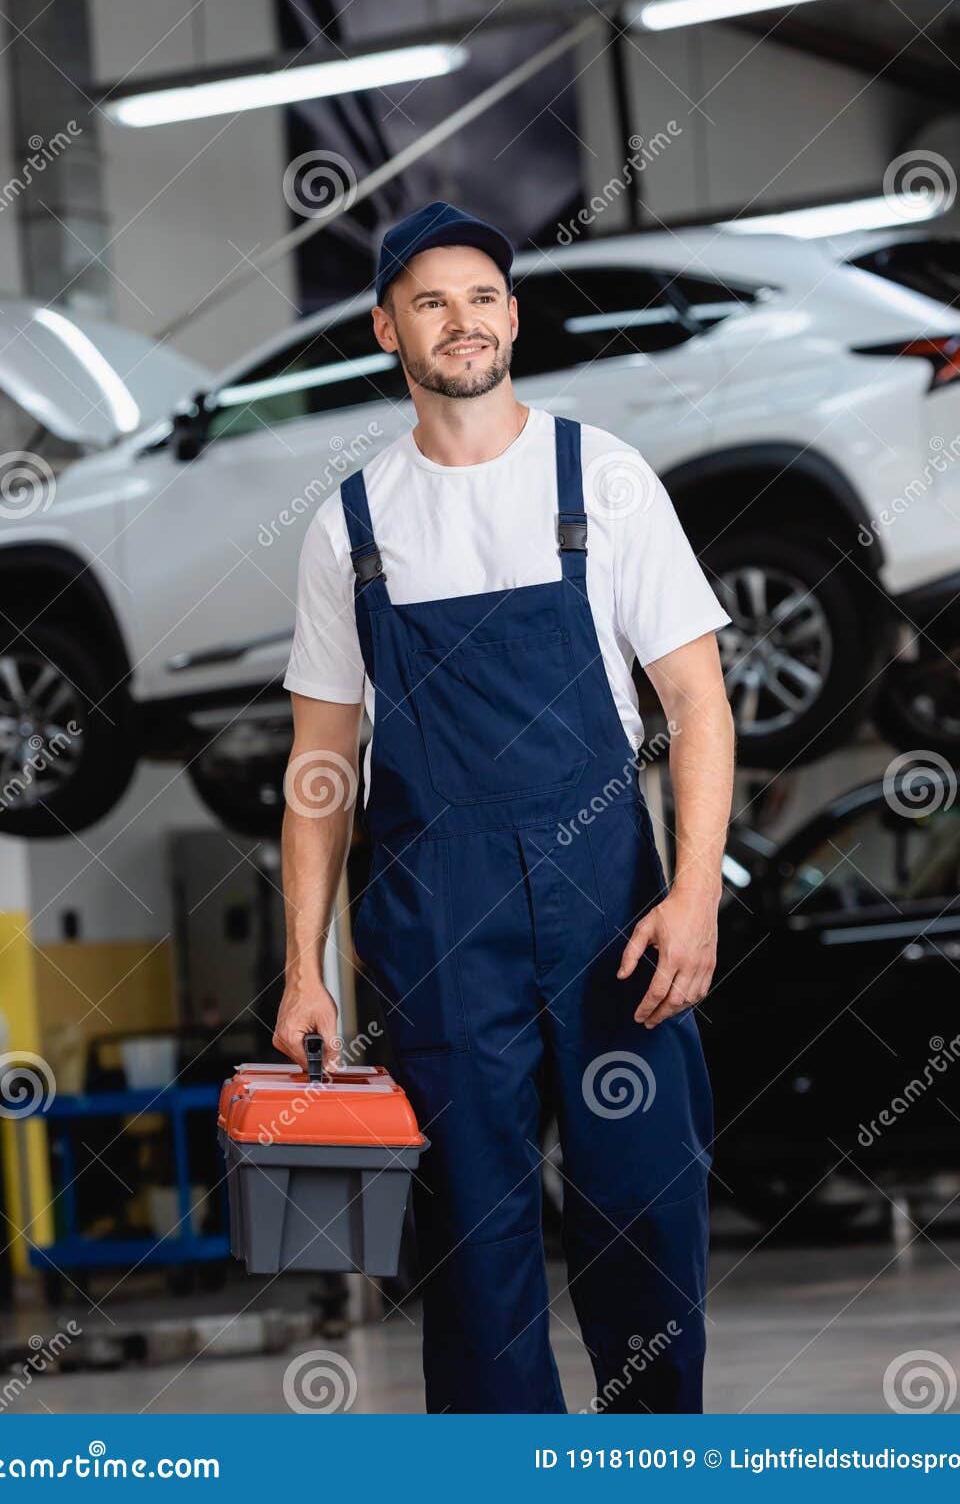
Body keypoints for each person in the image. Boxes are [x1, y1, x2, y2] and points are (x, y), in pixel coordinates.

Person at [274, 201, 735, 1413]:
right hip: (434, 922)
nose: (462, 321)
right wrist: (305, 969)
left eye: (483, 297)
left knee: (643, 1212)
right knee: (475, 1251)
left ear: (515, 318)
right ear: (388, 328)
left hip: (611, 913)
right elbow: (320, 772)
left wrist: (693, 896)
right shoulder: (349, 525)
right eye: (431, 300)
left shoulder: (605, 476)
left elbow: (696, 701)